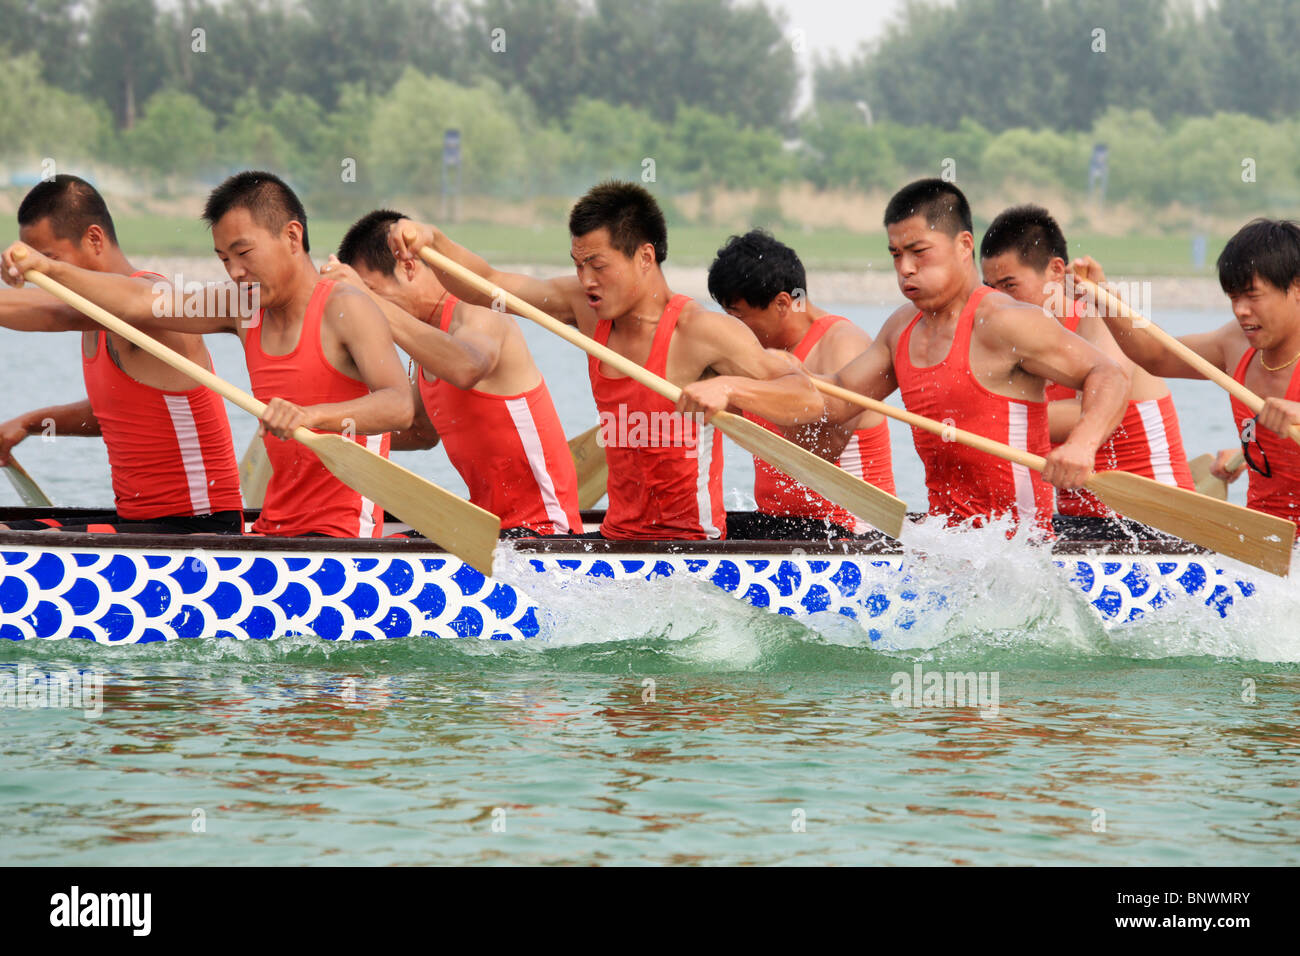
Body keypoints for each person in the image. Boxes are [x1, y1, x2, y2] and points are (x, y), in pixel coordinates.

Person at [387, 181, 825, 541]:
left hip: (691, 547)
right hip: (619, 540)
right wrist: (432, 240)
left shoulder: (703, 332)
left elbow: (806, 396)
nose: (586, 280)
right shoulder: (583, 308)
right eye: (578, 266)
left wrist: (729, 388)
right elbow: (487, 284)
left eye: (598, 265)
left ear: (645, 257)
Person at [2, 171, 412, 538]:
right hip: (276, 530)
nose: (234, 271)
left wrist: (313, 417)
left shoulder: (348, 307)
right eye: (223, 259)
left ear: (292, 236)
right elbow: (141, 303)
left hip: (341, 537)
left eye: (243, 253)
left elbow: (398, 405)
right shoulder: (243, 308)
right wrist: (49, 271)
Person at [820, 179, 1128, 532]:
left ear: (964, 245)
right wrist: (756, 385)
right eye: (895, 255)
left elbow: (1111, 375)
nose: (905, 268)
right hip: (950, 538)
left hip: (1024, 545)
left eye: (918, 252)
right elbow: (836, 396)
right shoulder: (900, 329)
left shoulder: (1015, 321)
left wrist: (1082, 445)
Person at [0, 174, 243, 534]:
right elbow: (118, 414)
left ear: (94, 238)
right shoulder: (90, 318)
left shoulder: (152, 303)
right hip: (140, 522)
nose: (39, 277)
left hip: (200, 527)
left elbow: (54, 312)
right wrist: (28, 423)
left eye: (47, 261)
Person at [330, 209, 582, 536]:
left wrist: (373, 306)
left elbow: (467, 367)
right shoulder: (428, 347)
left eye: (372, 293)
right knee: (395, 542)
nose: (365, 308)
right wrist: (328, 428)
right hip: (486, 531)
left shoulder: (477, 312)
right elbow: (420, 431)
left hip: (543, 533)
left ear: (408, 266)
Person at [980, 204, 1194, 518]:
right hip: (1080, 525)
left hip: (1156, 521)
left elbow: (1100, 404)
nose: (999, 301)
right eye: (990, 289)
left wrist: (982, 419)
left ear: (1055, 271)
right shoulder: (1012, 345)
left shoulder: (1099, 317)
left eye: (1010, 285)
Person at [1087, 218, 1300, 525]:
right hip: (1264, 540)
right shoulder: (1236, 344)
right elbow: (1157, 354)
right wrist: (1103, 296)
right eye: (1233, 297)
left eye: (1253, 296)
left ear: (1296, 287)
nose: (1240, 310)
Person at [706, 228, 894, 537]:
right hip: (779, 523)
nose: (731, 327)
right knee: (691, 528)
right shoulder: (754, 353)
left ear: (782, 304)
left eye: (736, 315)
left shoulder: (843, 344)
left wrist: (753, 389)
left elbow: (824, 449)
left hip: (849, 529)